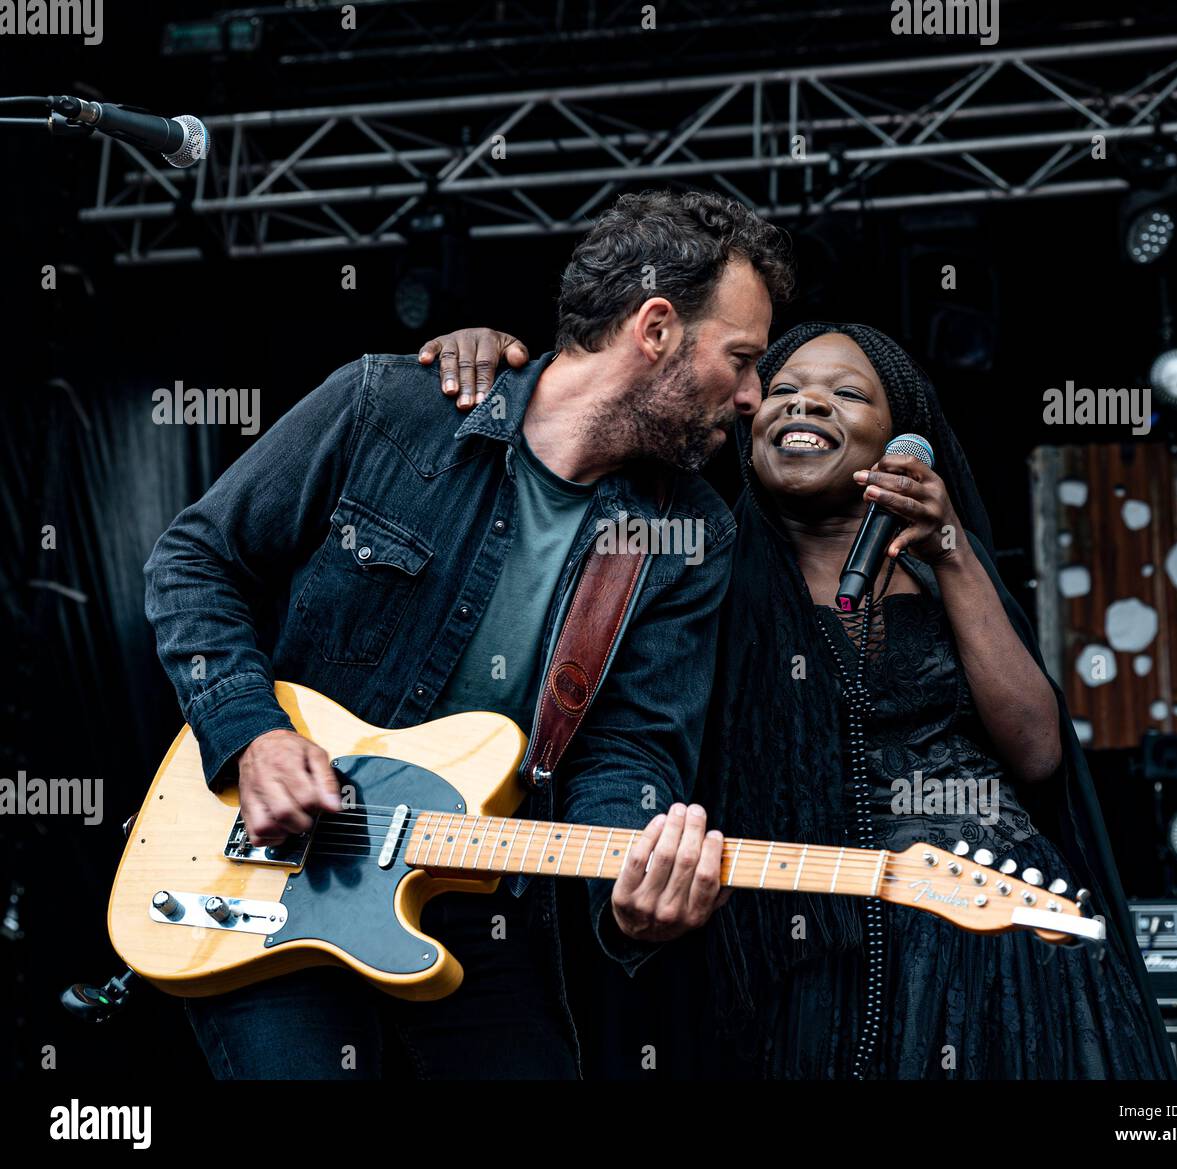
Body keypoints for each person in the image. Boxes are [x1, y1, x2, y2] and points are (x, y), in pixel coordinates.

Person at [142, 189, 793, 1079]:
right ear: (655, 328)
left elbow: (630, 747)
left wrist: (630, 883)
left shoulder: (691, 536)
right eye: (744, 359)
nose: (756, 396)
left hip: (478, 898)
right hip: (275, 862)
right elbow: (194, 558)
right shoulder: (388, 407)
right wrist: (251, 734)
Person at [423, 320, 1177, 1080]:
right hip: (801, 958)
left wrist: (950, 548)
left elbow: (1039, 752)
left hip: (993, 943)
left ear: (901, 444)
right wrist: (502, 370)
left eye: (846, 393)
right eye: (780, 390)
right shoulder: (695, 572)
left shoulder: (946, 568)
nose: (805, 403)